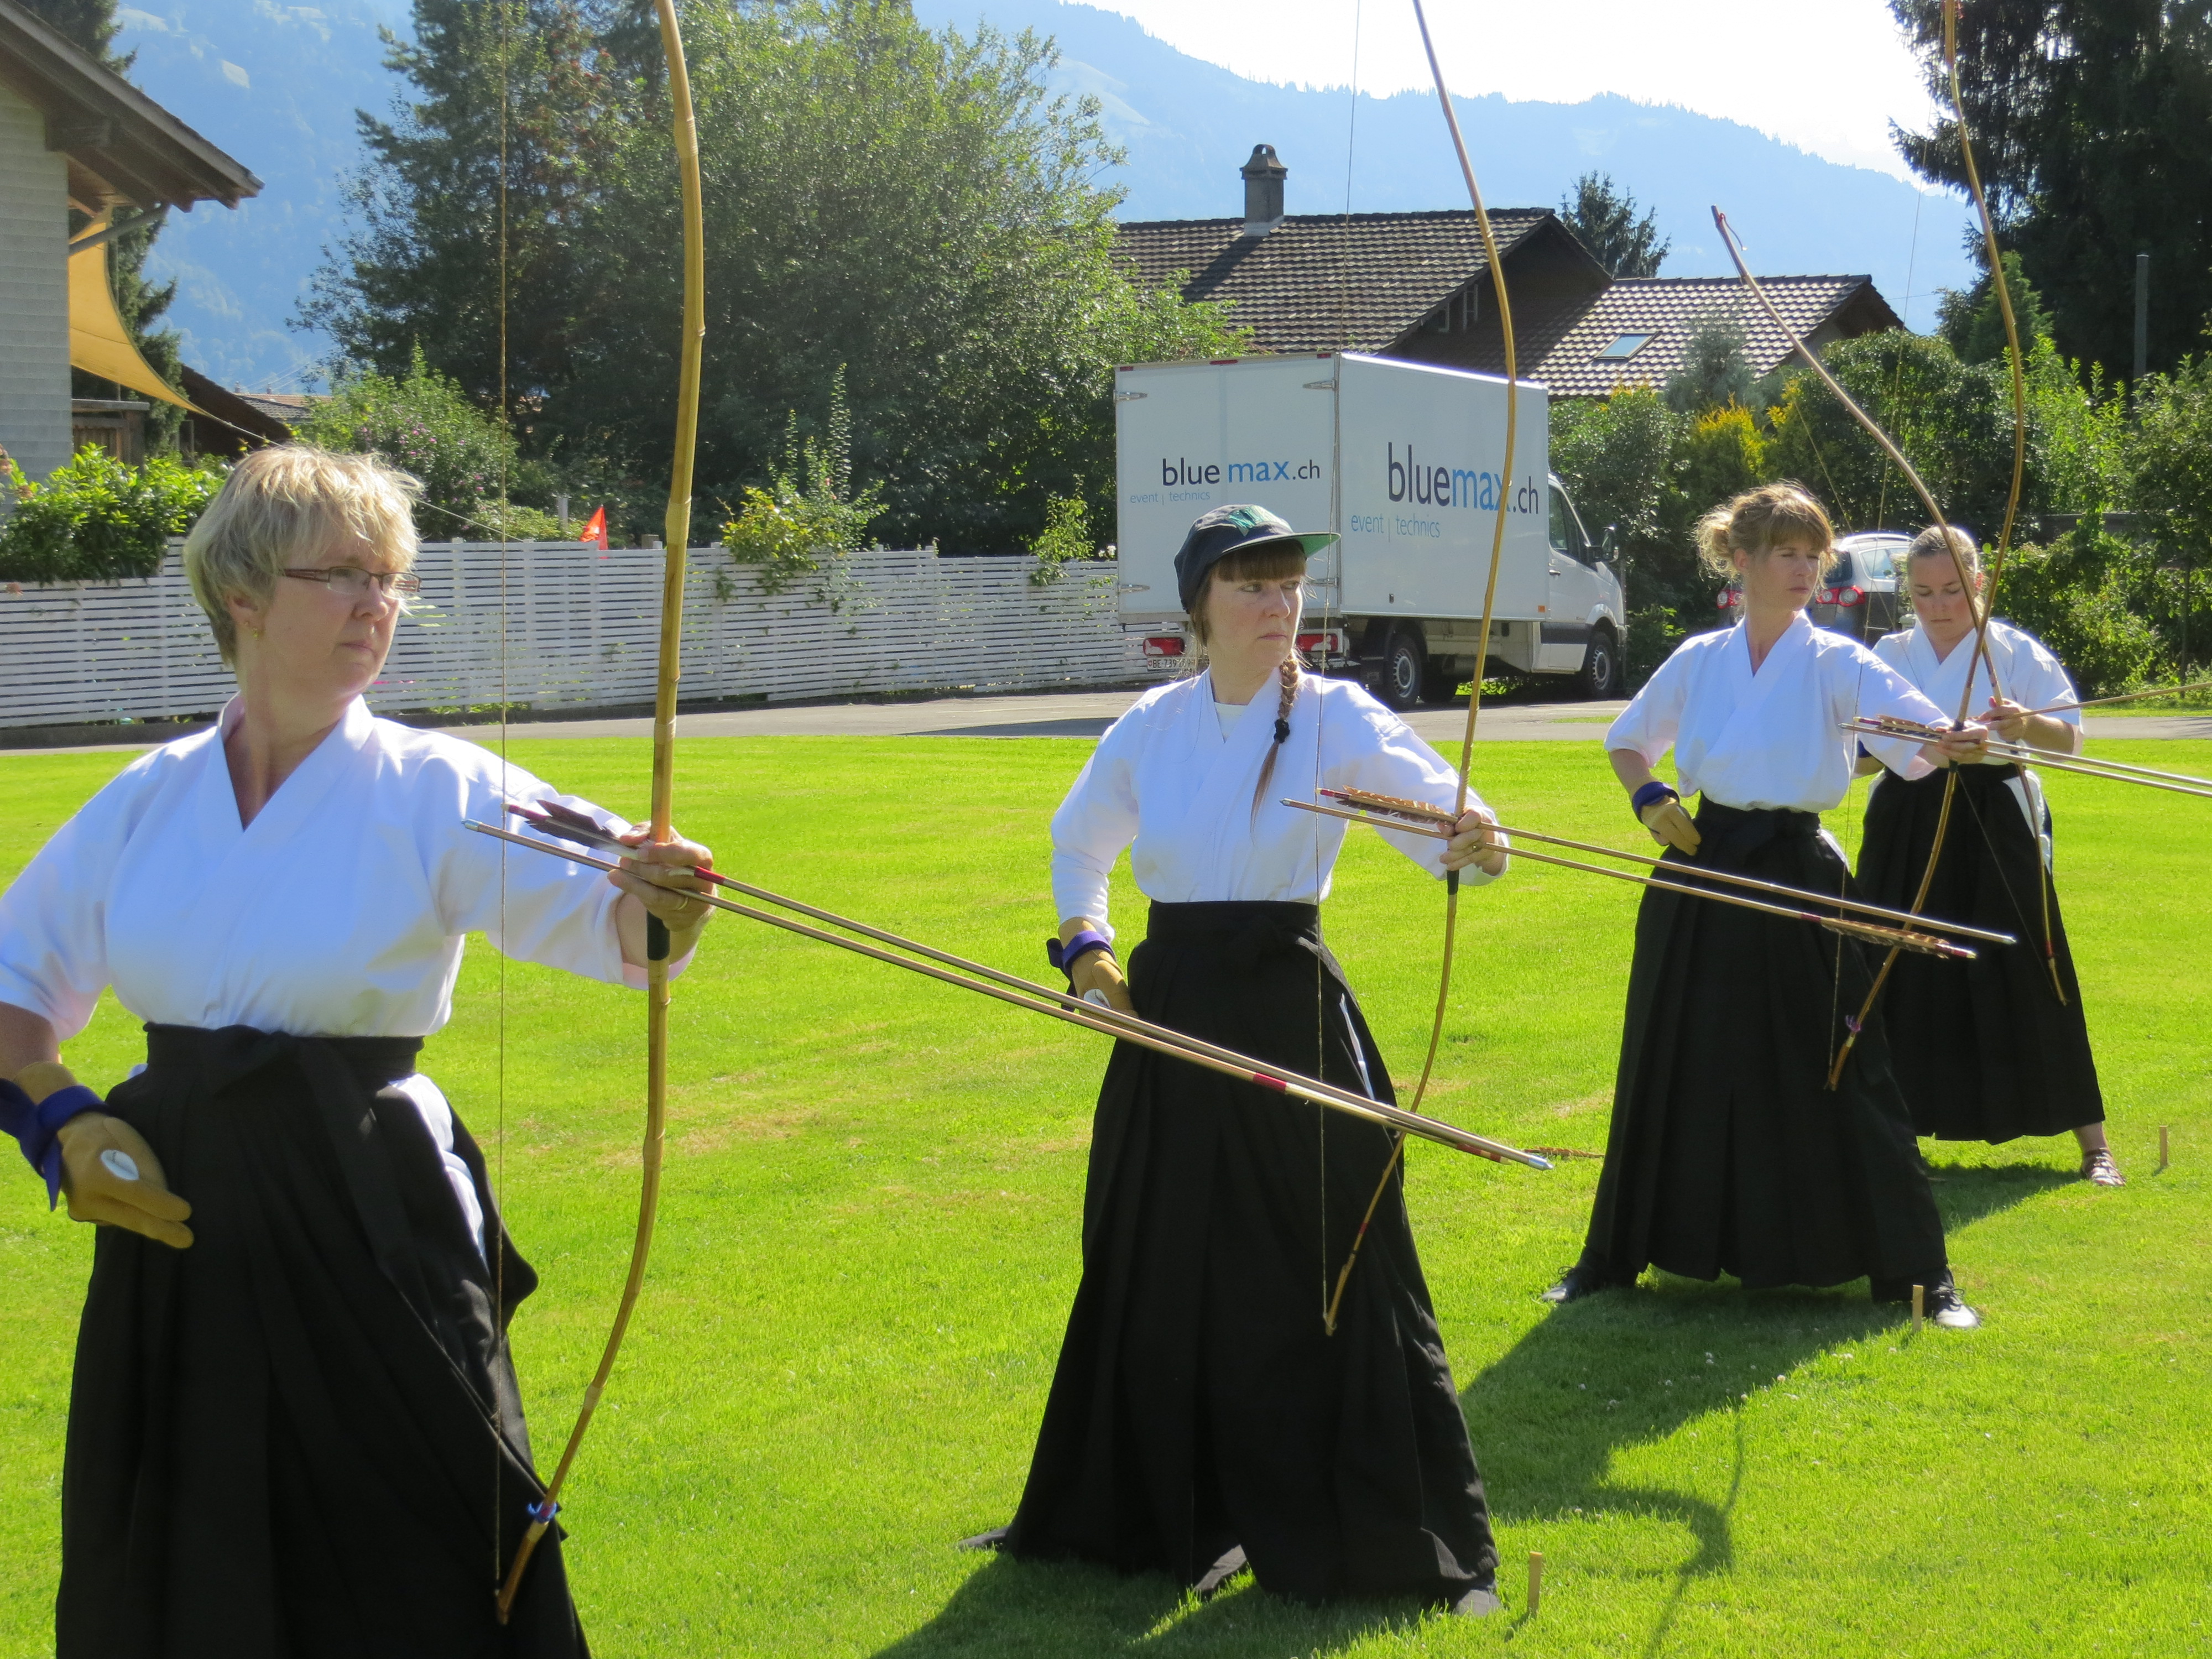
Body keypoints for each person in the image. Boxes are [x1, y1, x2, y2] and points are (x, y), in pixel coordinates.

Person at [0, 446, 714, 1657]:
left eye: (392, 579)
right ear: (241, 593)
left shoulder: (437, 785)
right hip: (179, 1210)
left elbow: (618, 912)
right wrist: (60, 1122)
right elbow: (15, 991)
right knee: (188, 1539)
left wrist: (666, 894)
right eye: (342, 576)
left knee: (430, 1530)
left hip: (370, 1201)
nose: (377, 605)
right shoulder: (147, 797)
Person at [981, 505, 1511, 1614]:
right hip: (1168, 1004)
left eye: (1289, 588)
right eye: (1252, 588)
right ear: (1198, 611)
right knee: (1154, 1250)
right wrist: (1087, 953)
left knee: (1338, 1255)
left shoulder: (1336, 713)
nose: (1279, 609)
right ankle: (1131, 1508)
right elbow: (1078, 843)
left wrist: (1473, 832)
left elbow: (1441, 820)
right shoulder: (1151, 724)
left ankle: (1392, 1532)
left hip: (1284, 1001)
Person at [1543, 483, 1990, 1328]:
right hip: (1702, 870)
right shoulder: (1700, 657)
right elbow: (1628, 742)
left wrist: (1956, 739)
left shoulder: (1841, 662)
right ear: (1740, 560)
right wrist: (1650, 800)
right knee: (1668, 1060)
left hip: (1798, 872)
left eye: (1814, 553)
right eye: (1786, 552)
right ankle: (1609, 1259)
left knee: (1848, 1063)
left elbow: (1925, 740)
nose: (1804, 569)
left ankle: (1920, 1277)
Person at [1855, 526, 2120, 1183]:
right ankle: (1885, 1138)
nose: (1938, 606)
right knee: (1896, 961)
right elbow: (1857, 755)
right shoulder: (1887, 652)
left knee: (2031, 962)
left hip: (1997, 814)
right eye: (1922, 593)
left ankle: (2094, 1147)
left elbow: (2069, 741)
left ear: (1978, 583)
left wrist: (2023, 724)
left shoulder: (2011, 650)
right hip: (1909, 815)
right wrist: (1922, 741)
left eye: (1951, 590)